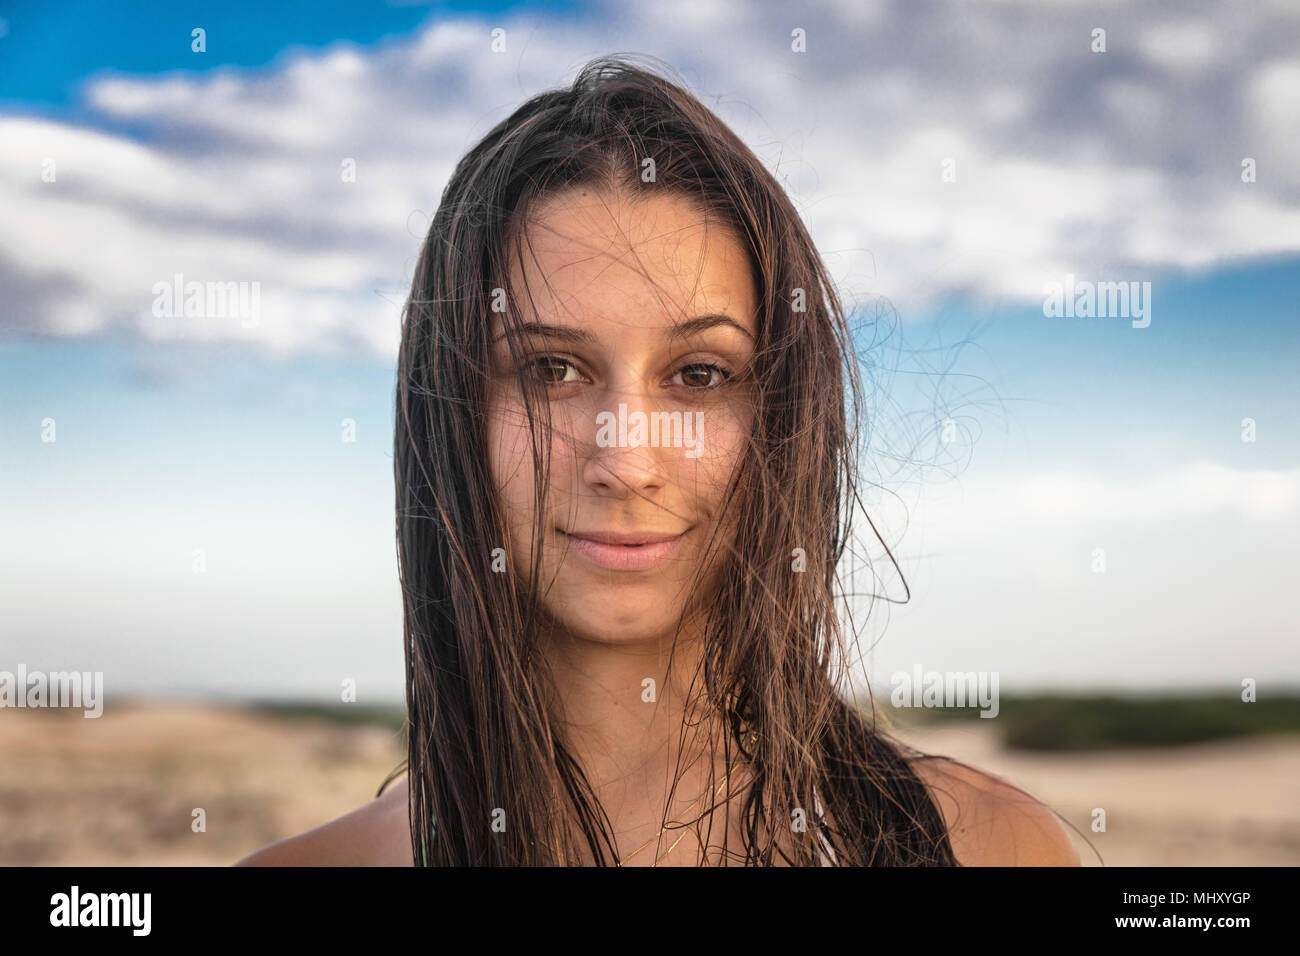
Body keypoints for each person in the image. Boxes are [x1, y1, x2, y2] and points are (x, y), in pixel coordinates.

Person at [237, 55, 1079, 867]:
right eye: (550, 372)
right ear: (450, 413)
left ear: (784, 416)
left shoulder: (991, 848)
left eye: (699, 375)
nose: (627, 460)